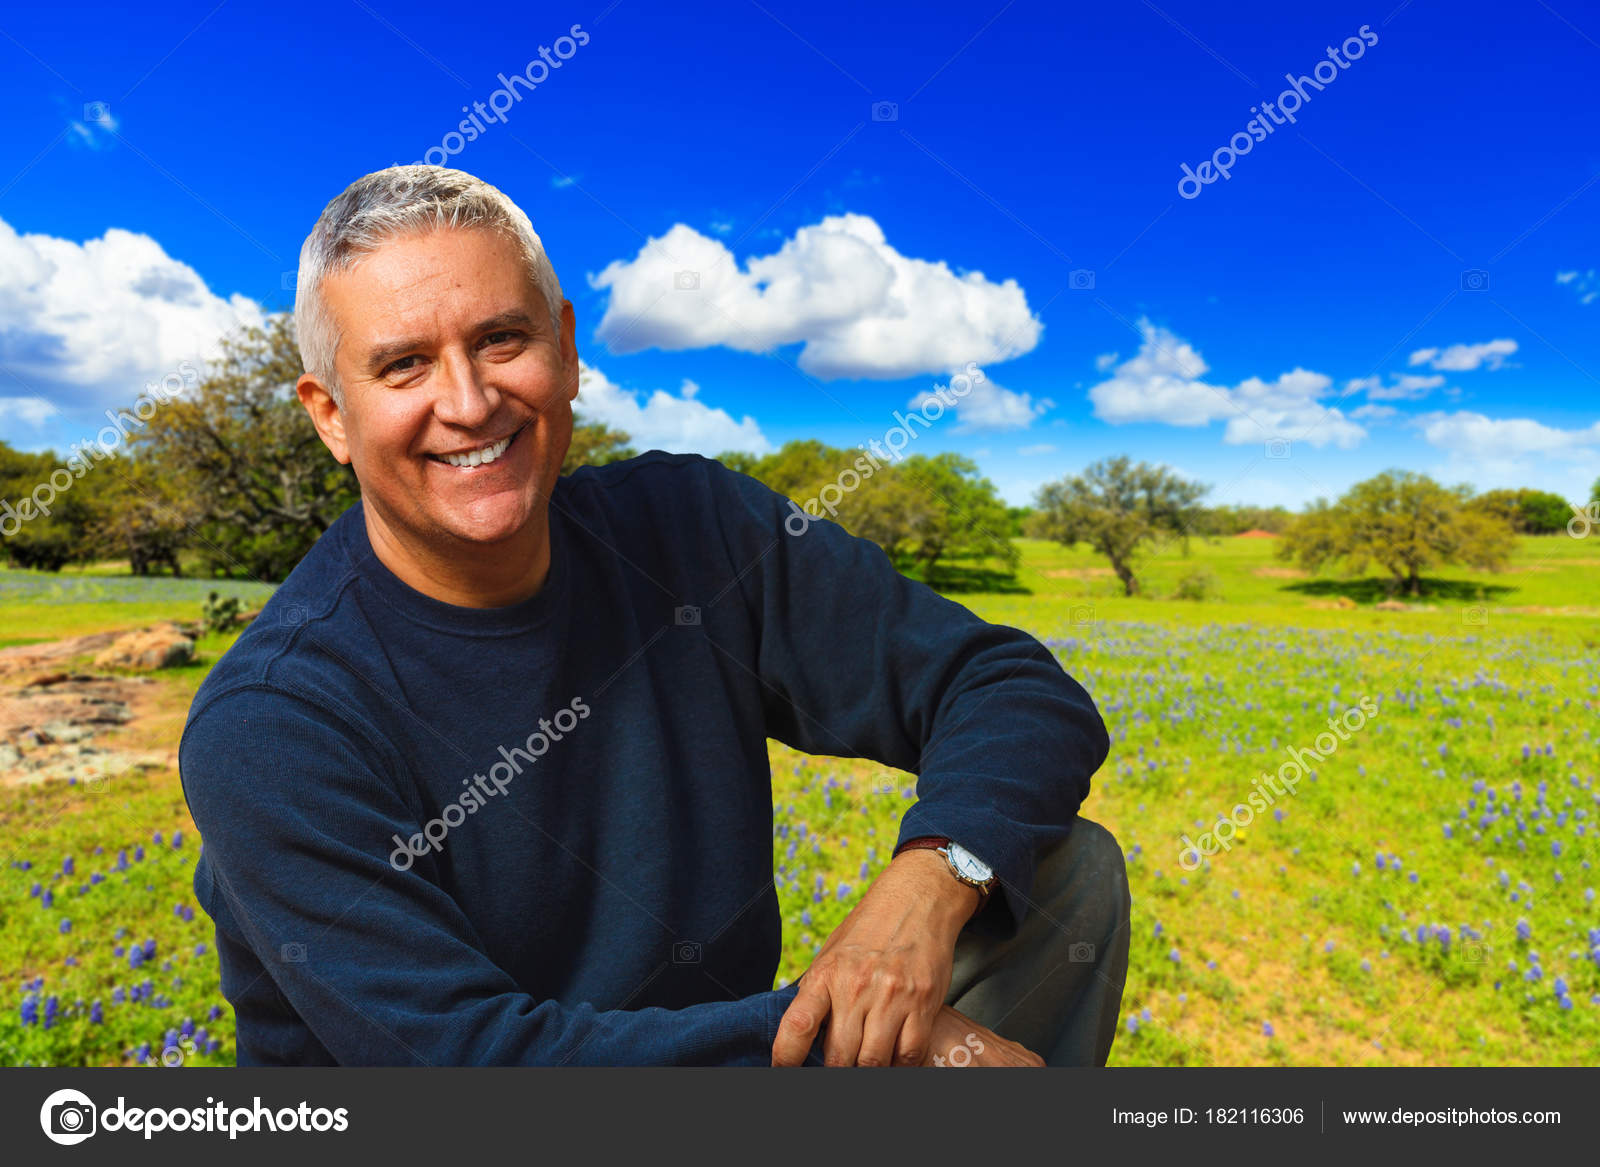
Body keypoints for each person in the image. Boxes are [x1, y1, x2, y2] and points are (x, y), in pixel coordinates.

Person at [178, 164, 1128, 1067]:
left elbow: (1008, 686)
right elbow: (472, 1067)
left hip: (719, 1074)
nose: (468, 402)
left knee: (1056, 874)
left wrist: (934, 875)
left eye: (501, 339)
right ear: (331, 414)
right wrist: (888, 1051)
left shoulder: (691, 530)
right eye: (404, 365)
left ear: (567, 348)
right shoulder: (272, 720)